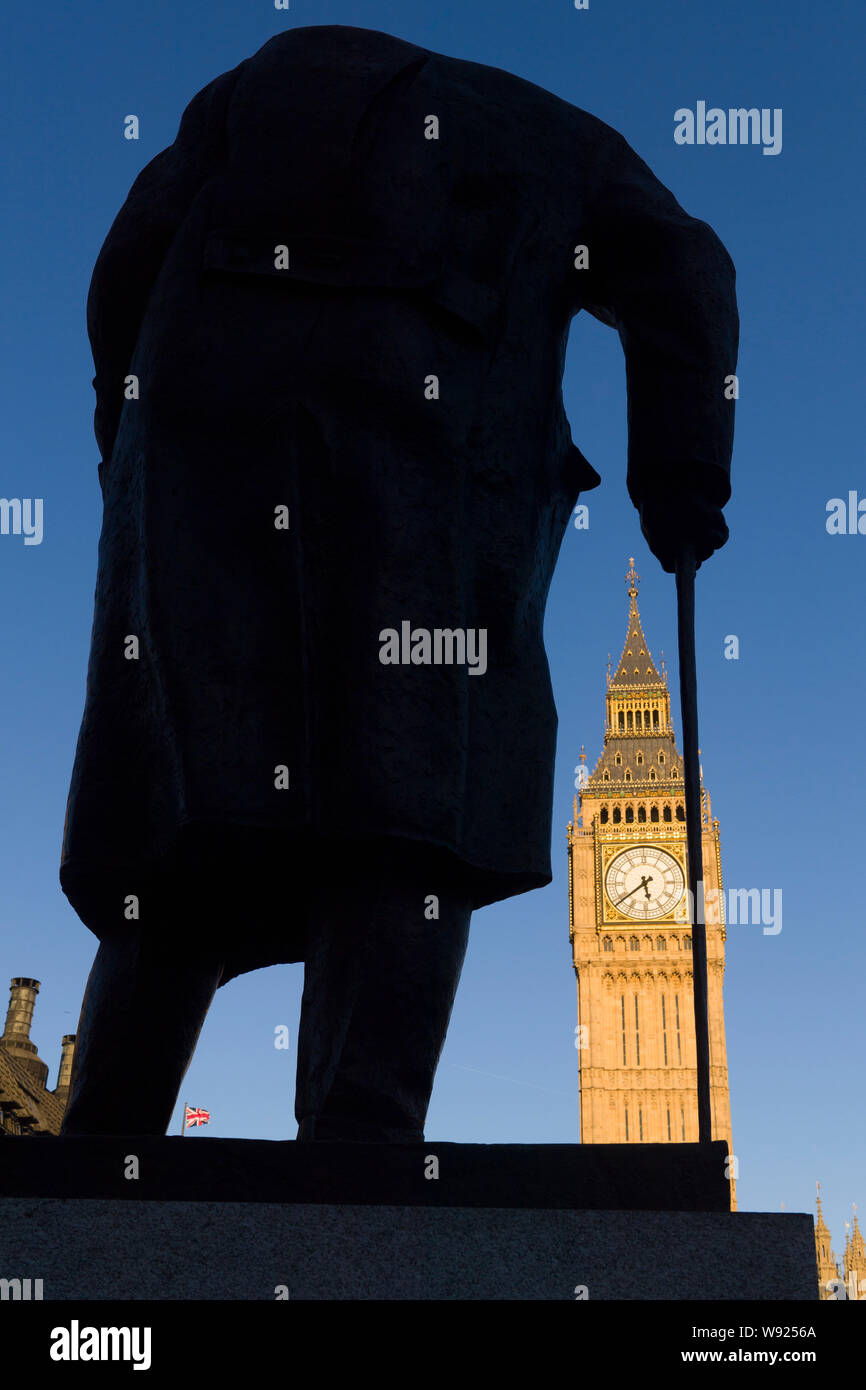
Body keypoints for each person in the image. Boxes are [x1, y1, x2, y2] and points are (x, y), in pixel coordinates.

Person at [59, 24, 737, 1140]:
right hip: (426, 463)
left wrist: (128, 457)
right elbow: (684, 268)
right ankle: (360, 1146)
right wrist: (679, 475)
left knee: (181, 806)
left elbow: (124, 266)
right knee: (412, 803)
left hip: (201, 445)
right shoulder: (559, 140)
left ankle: (100, 1145)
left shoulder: (241, 94)